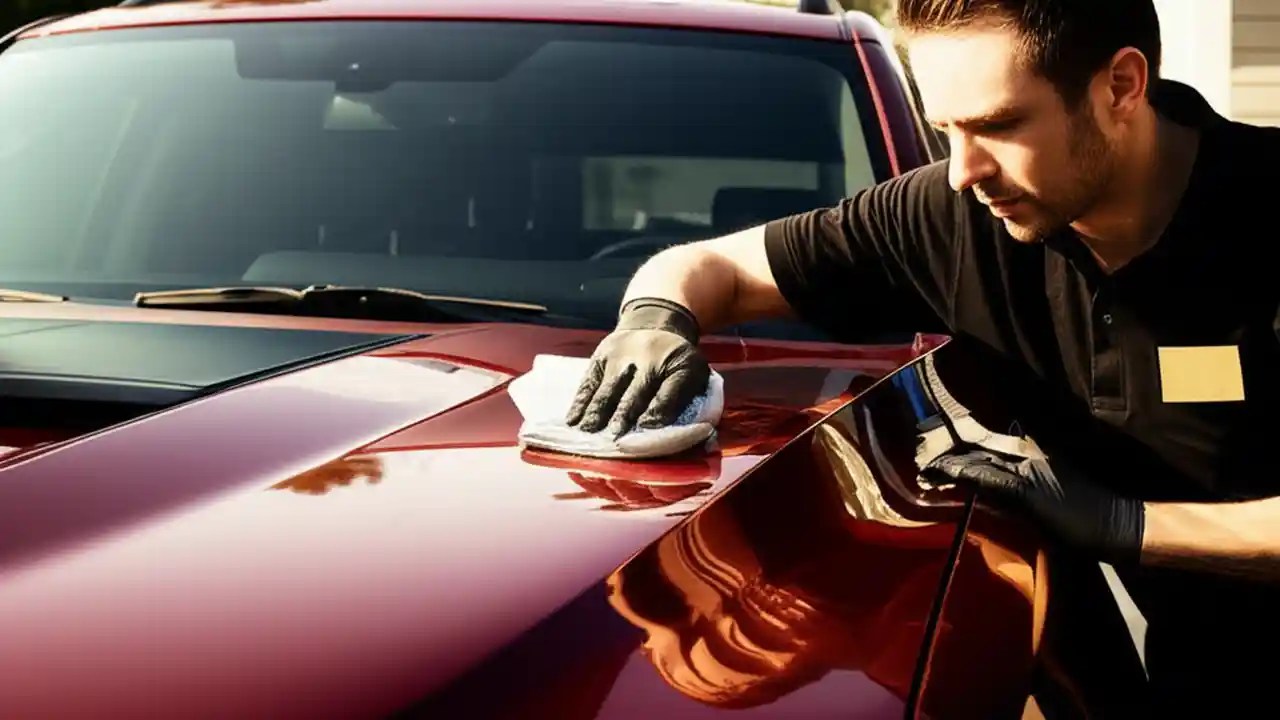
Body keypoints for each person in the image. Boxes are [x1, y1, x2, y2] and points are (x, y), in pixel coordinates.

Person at [564, 0, 1280, 711]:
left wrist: (1127, 523)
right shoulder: (954, 220)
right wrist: (655, 320)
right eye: (945, 130)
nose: (964, 169)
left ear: (1121, 86)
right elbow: (710, 268)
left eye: (998, 125)